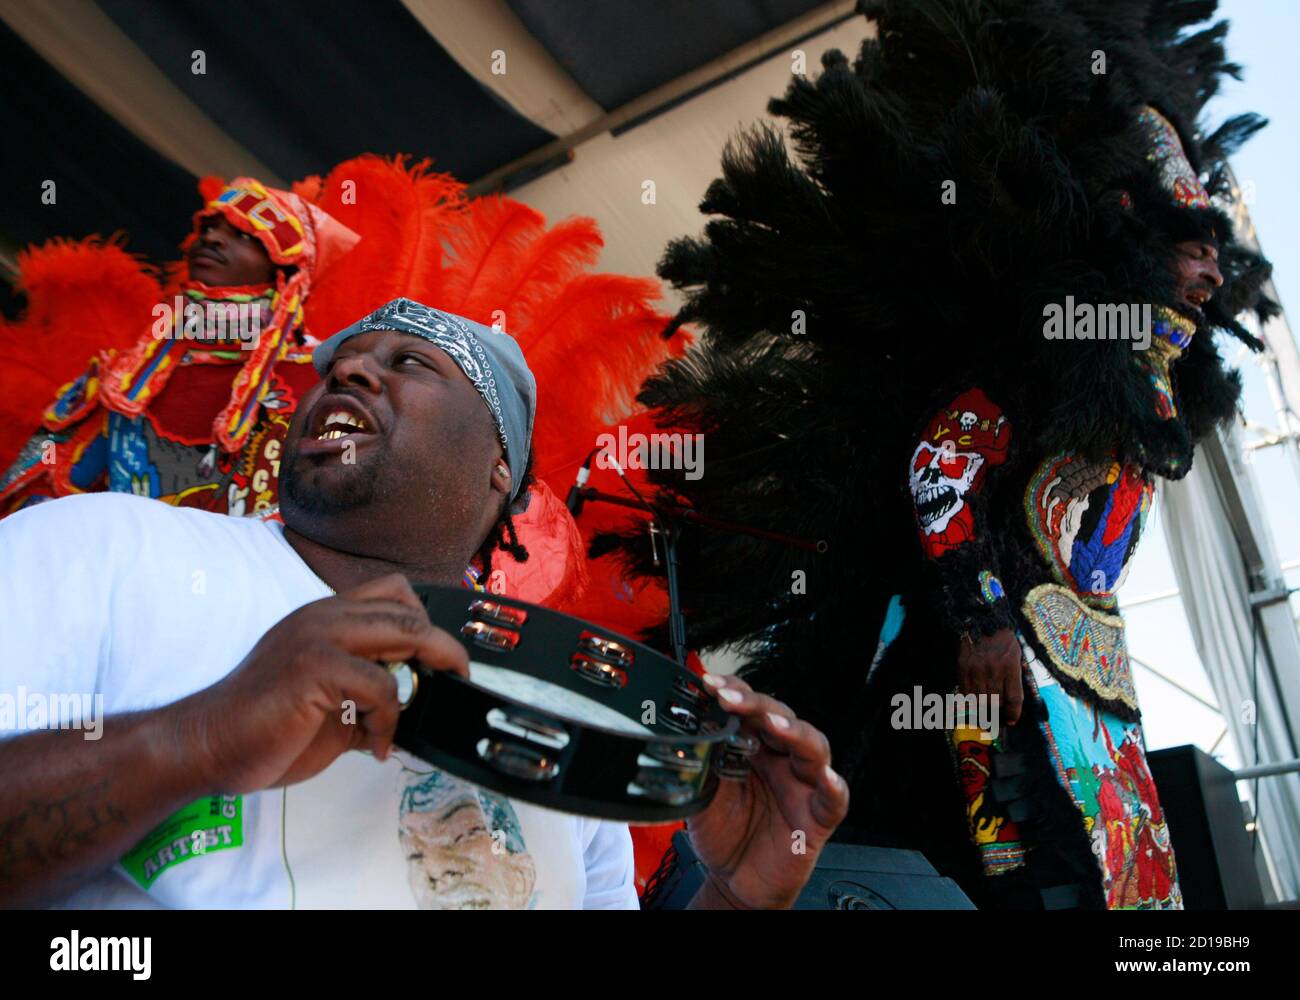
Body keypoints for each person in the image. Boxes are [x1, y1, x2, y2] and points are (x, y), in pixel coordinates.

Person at [598, 0, 1275, 909]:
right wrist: (980, 621)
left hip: (1092, 687)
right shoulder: (1045, 352)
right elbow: (941, 463)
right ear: (1127, 239)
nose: (1208, 276)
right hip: (983, 678)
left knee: (1122, 888)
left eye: (1214, 260)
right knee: (1008, 873)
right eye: (1190, 249)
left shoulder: (1135, 382)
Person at [0, 298, 848, 909]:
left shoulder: (573, 721)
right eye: (338, 365)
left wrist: (737, 900)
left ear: (498, 467)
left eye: (410, 364)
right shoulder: (100, 546)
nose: (353, 368)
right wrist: (202, 736)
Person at [0, 177, 358, 516]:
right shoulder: (126, 377)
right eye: (209, 228)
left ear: (288, 272)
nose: (213, 239)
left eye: (245, 236)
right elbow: (49, 496)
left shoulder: (317, 382)